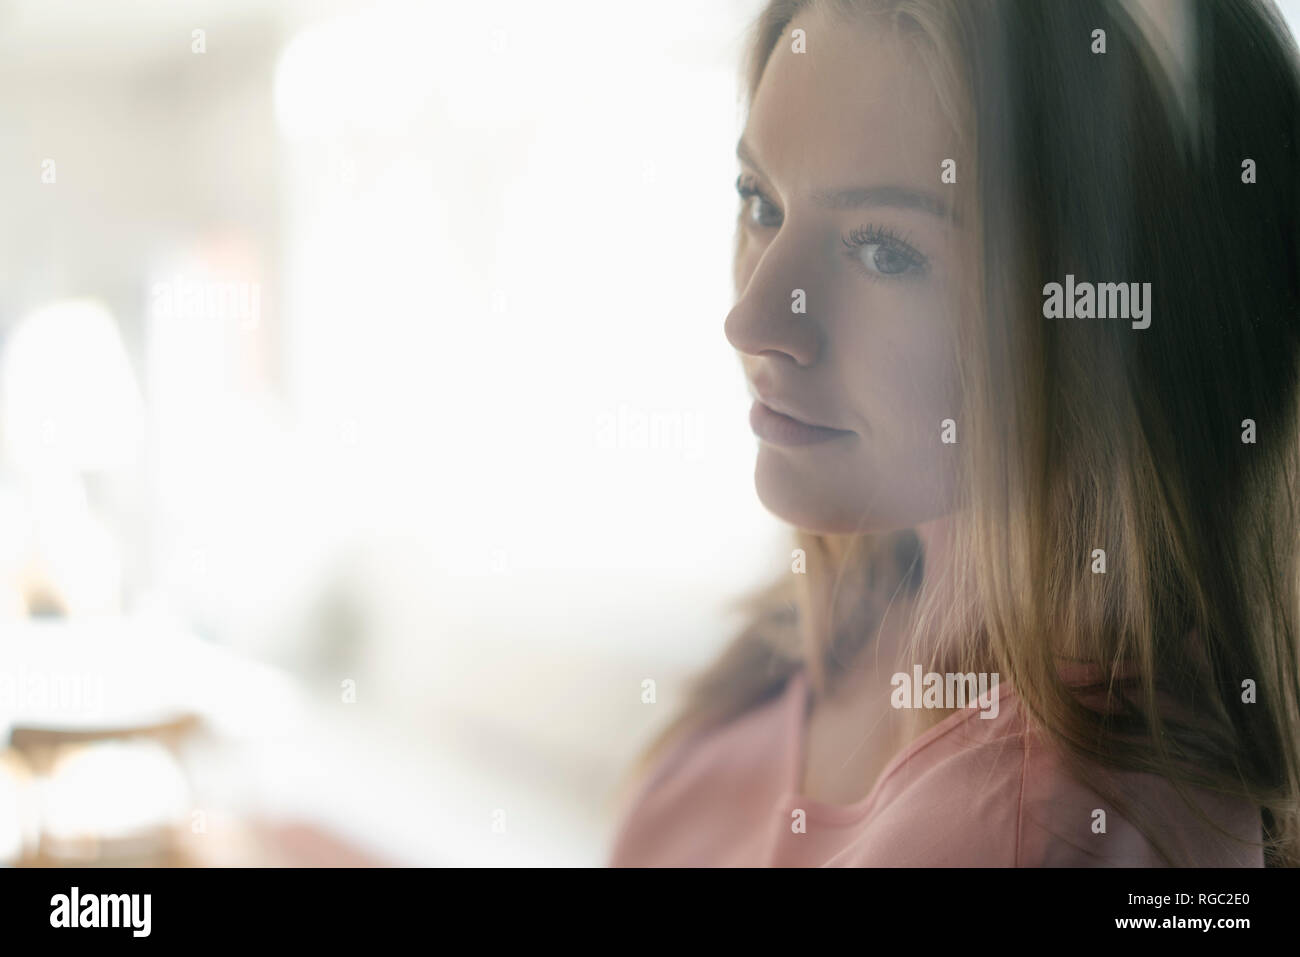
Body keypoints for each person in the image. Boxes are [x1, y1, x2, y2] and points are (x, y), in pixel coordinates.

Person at [608, 0, 1300, 866]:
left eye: (885, 251)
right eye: (762, 201)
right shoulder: (852, 603)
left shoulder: (1033, 830)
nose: (750, 318)